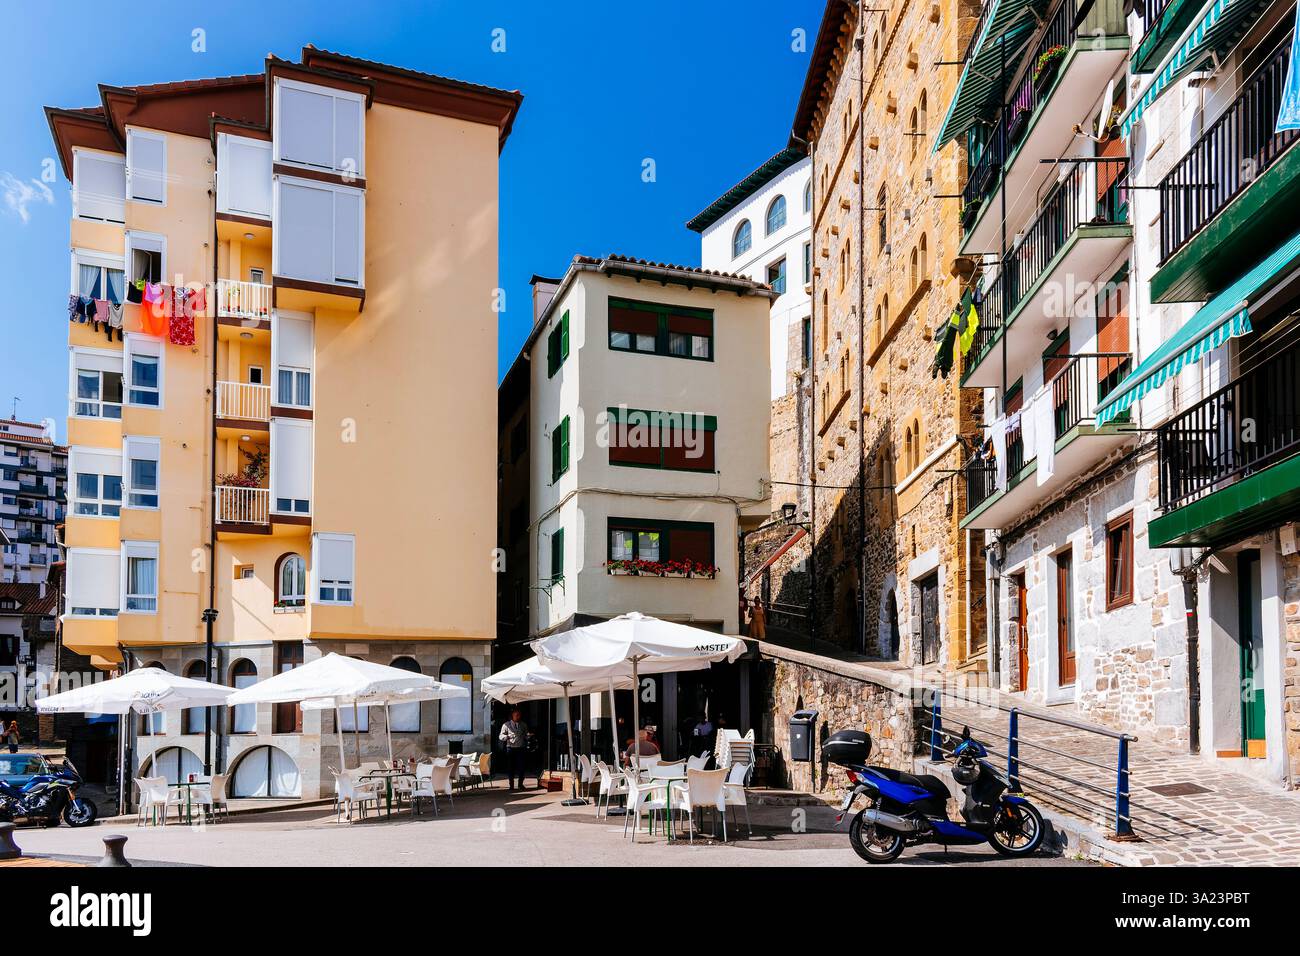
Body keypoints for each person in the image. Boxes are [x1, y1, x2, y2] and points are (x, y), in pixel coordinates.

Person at [498, 709, 529, 791]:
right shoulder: (506, 725)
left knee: (521, 767)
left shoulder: (523, 724)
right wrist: (507, 737)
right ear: (512, 716)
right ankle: (511, 785)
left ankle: (520, 784)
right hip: (511, 748)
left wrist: (528, 736)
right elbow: (501, 736)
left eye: (519, 715)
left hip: (521, 748)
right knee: (511, 767)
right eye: (516, 715)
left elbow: (525, 735)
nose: (518, 717)